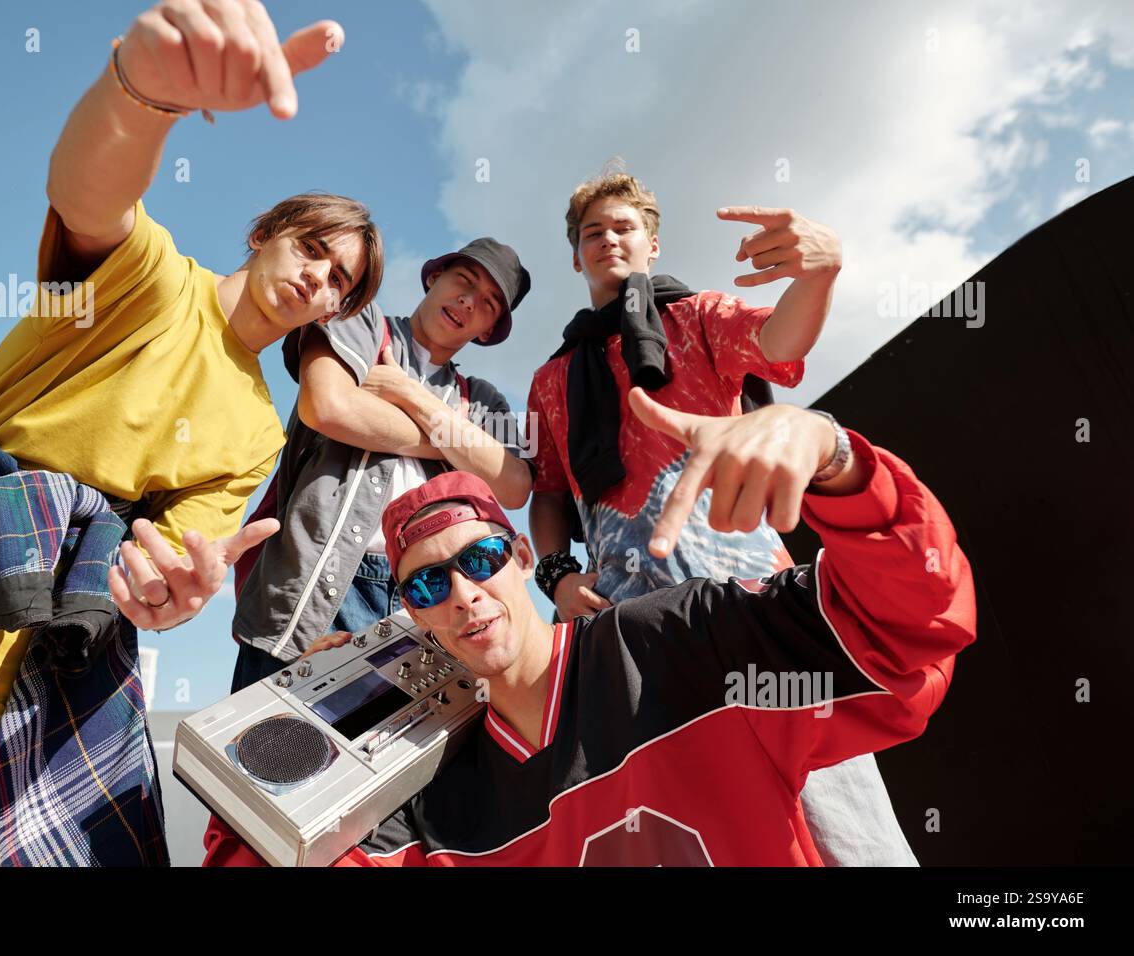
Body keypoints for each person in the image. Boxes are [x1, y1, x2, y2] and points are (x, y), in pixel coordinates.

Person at [0, 0, 381, 867]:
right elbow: (91, 191)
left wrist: (169, 593)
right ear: (264, 233)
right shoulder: (154, 282)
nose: (318, 280)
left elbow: (158, 565)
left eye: (341, 284)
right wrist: (142, 94)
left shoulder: (254, 433)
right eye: (312, 248)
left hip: (53, 673)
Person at [203, 391, 975, 866]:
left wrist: (838, 461)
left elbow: (903, 631)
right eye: (429, 583)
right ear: (410, 614)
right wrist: (307, 733)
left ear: (519, 557)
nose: (463, 593)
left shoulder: (678, 643)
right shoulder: (434, 799)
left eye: (480, 557)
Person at [525, 168, 919, 865]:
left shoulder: (697, 315)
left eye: (623, 227)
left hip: (751, 594)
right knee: (700, 814)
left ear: (650, 242)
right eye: (592, 233)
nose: (608, 240)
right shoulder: (551, 377)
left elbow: (781, 342)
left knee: (832, 789)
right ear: (575, 254)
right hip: (633, 624)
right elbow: (549, 492)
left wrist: (820, 276)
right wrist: (556, 576)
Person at [200, 239, 534, 863]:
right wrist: (455, 442)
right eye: (463, 280)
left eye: (489, 303)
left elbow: (513, 483)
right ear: (434, 275)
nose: (469, 302)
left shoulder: (483, 397)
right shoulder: (361, 320)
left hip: (426, 600)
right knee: (265, 797)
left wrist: (410, 394)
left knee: (374, 809)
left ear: (491, 329)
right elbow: (327, 406)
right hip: (321, 582)